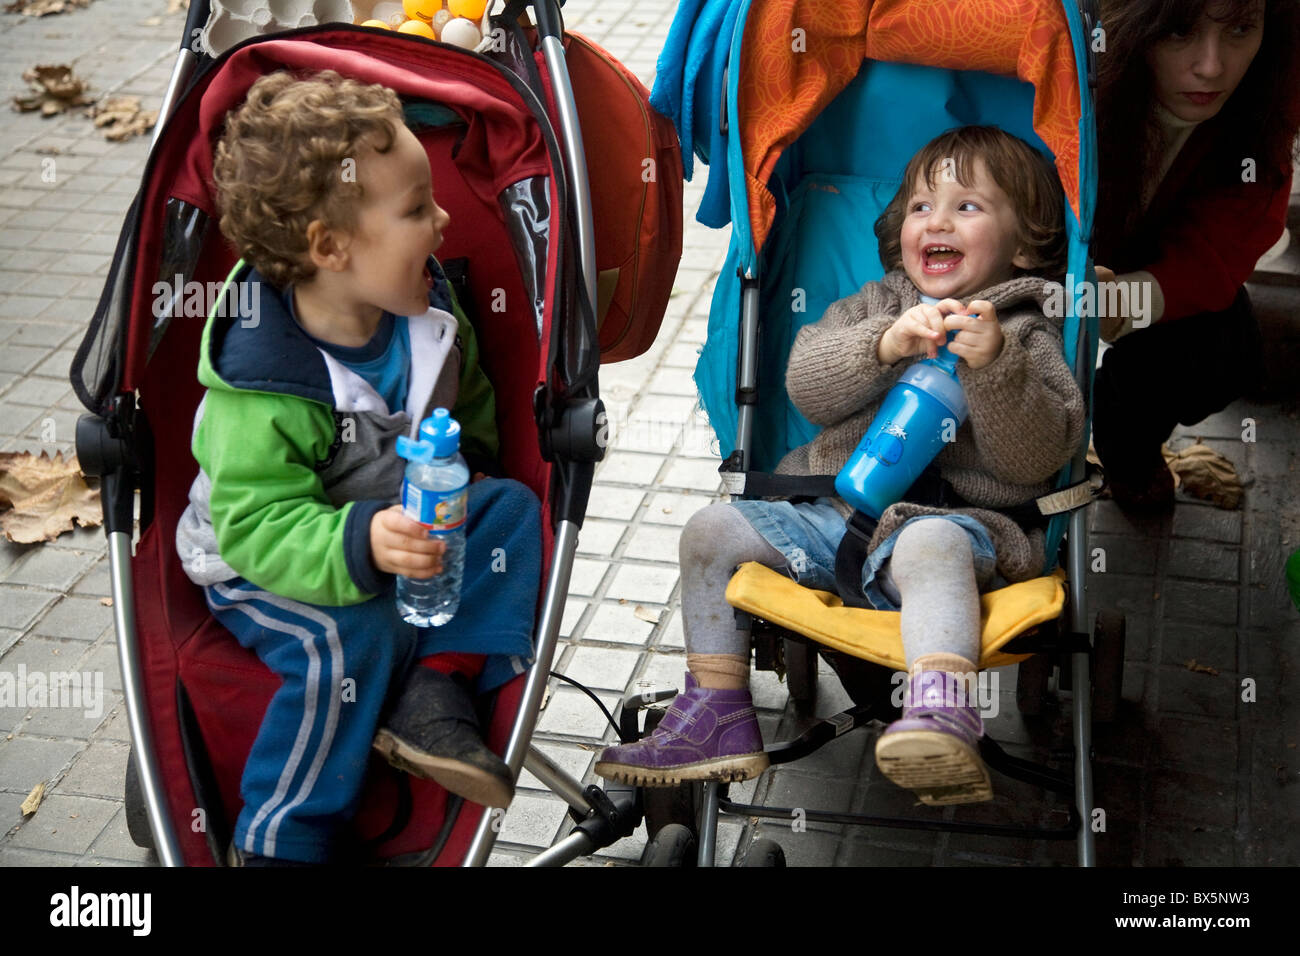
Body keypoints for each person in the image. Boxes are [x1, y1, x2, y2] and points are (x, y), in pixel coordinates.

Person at [596, 126, 1085, 805]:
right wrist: (881, 347)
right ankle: (717, 708)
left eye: (967, 207)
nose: (937, 221)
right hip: (831, 521)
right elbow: (806, 384)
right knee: (708, 532)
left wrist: (993, 366)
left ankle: (941, 707)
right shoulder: (877, 305)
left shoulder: (1029, 332)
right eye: (921, 207)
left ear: (1025, 243)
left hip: (956, 529)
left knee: (929, 541)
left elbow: (1036, 455)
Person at [174, 71, 542, 864]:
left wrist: (461, 476)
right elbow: (254, 525)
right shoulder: (263, 384)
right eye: (416, 209)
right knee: (348, 638)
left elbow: (464, 403)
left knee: (511, 508)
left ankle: (434, 688)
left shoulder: (427, 316)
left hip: (398, 520)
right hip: (265, 563)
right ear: (330, 249)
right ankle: (284, 836)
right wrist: (361, 545)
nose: (445, 221)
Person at [1091, 0, 1300, 509]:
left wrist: (1119, 303)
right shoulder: (1071, 77)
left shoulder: (1269, 95)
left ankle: (1126, 445)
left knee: (1226, 352)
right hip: (1045, 266)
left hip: (1147, 268)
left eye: (1240, 30)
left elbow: (1228, 241)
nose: (1211, 65)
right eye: (1179, 31)